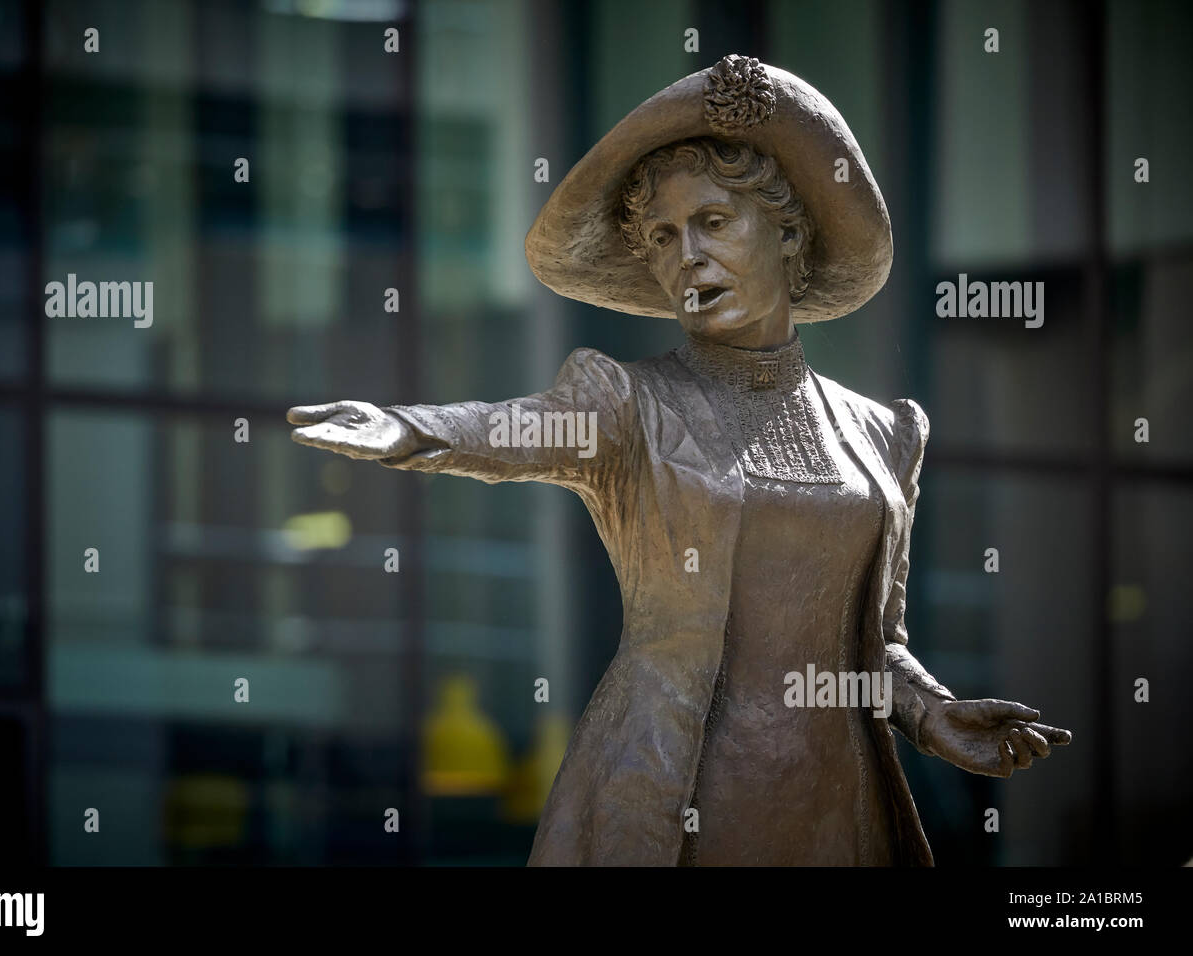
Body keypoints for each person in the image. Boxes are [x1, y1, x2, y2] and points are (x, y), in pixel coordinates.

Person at [287, 55, 1070, 866]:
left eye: (714, 223)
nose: (687, 256)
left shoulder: (884, 435)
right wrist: (407, 429)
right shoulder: (628, 406)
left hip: (842, 802)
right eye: (663, 238)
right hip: (678, 794)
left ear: (788, 231)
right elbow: (517, 428)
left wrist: (933, 714)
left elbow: (875, 646)